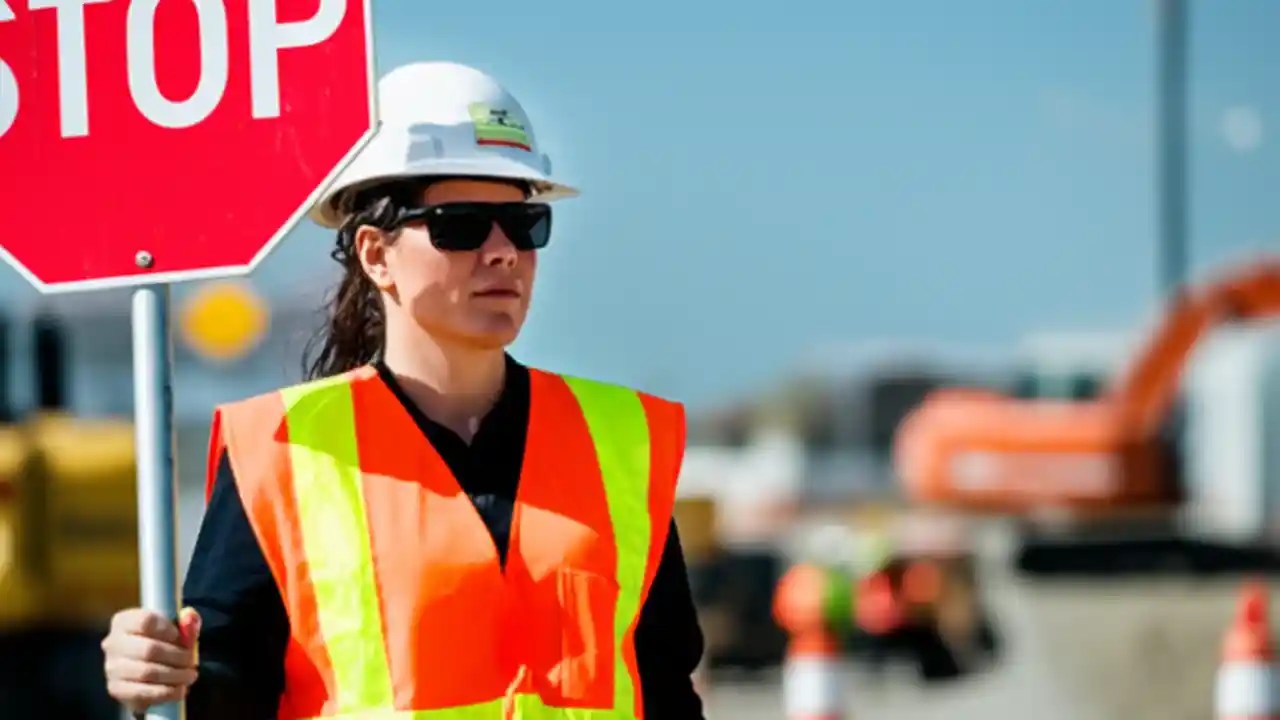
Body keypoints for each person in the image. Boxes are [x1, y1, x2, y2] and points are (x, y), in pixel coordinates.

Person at [101, 61, 706, 719]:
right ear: (375, 253)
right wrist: (158, 675)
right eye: (461, 224)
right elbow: (224, 685)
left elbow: (665, 685)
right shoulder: (282, 451)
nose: (503, 251)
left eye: (525, 224)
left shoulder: (619, 440)